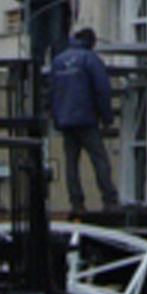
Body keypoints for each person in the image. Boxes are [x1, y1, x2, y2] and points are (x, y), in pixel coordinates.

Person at [48, 28, 120, 217]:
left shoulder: (58, 61)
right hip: (86, 120)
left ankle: (76, 203)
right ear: (91, 42)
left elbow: (52, 92)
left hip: (65, 121)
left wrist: (56, 118)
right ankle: (109, 199)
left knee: (71, 163)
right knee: (100, 160)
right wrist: (107, 117)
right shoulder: (90, 59)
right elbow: (102, 89)